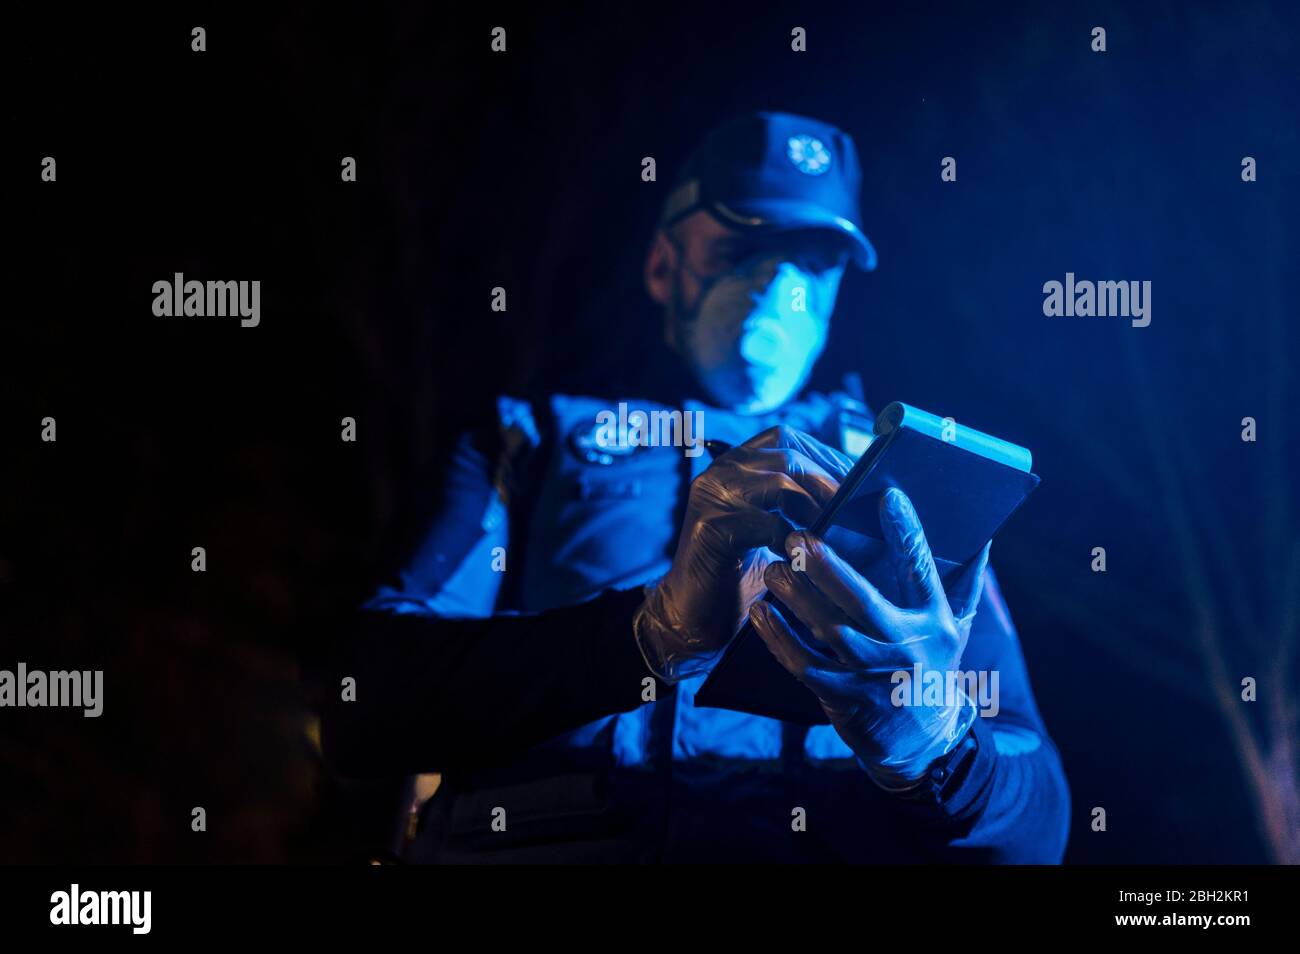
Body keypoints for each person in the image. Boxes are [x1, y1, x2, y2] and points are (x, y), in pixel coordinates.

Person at [321, 111, 1070, 863]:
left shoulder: (901, 481)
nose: (781, 282)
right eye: (745, 242)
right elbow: (362, 701)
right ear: (662, 265)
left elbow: (1039, 826)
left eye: (813, 259)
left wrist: (941, 749)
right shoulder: (533, 440)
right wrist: (645, 636)